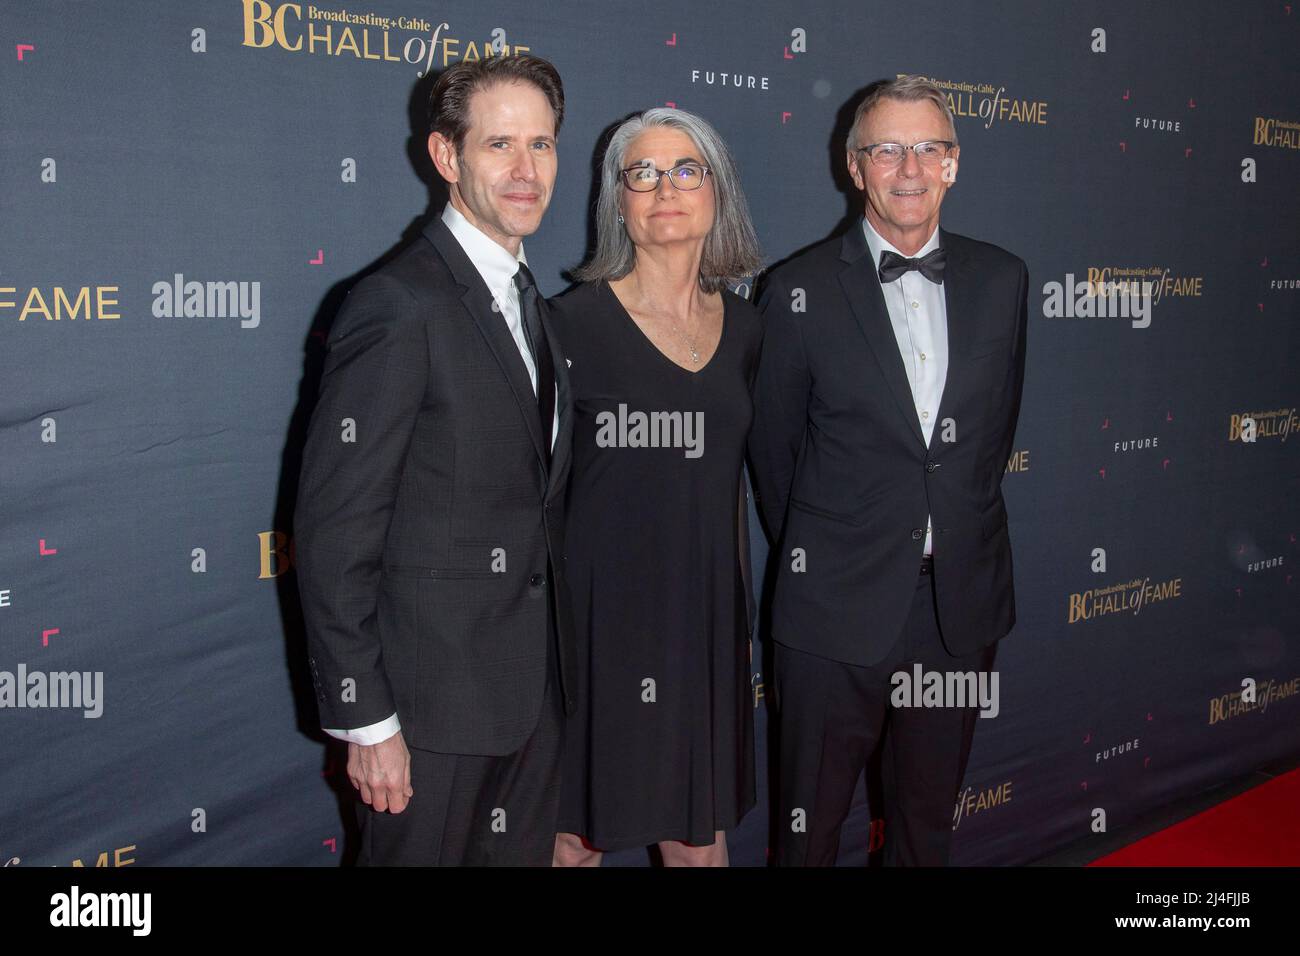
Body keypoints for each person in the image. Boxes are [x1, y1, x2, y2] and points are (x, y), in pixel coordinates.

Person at [294, 54, 576, 866]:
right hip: (426, 719)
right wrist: (368, 721)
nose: (527, 171)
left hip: (531, 705)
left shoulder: (538, 306)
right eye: (500, 146)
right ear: (447, 157)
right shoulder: (398, 303)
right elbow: (334, 529)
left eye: (544, 145)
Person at [749, 75, 1028, 866]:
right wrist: (842, 551)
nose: (909, 169)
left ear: (954, 164)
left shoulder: (1004, 280)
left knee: (926, 826)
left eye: (929, 148)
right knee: (808, 834)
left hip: (958, 608)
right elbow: (775, 463)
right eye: (887, 150)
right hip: (833, 610)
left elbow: (987, 440)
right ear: (854, 164)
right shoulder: (795, 290)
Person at [549, 108, 764, 866]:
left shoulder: (749, 331)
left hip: (703, 622)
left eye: (685, 169)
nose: (664, 187)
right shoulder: (566, 328)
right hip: (597, 628)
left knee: (698, 838)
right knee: (574, 838)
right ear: (617, 202)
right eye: (641, 172)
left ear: (717, 191)